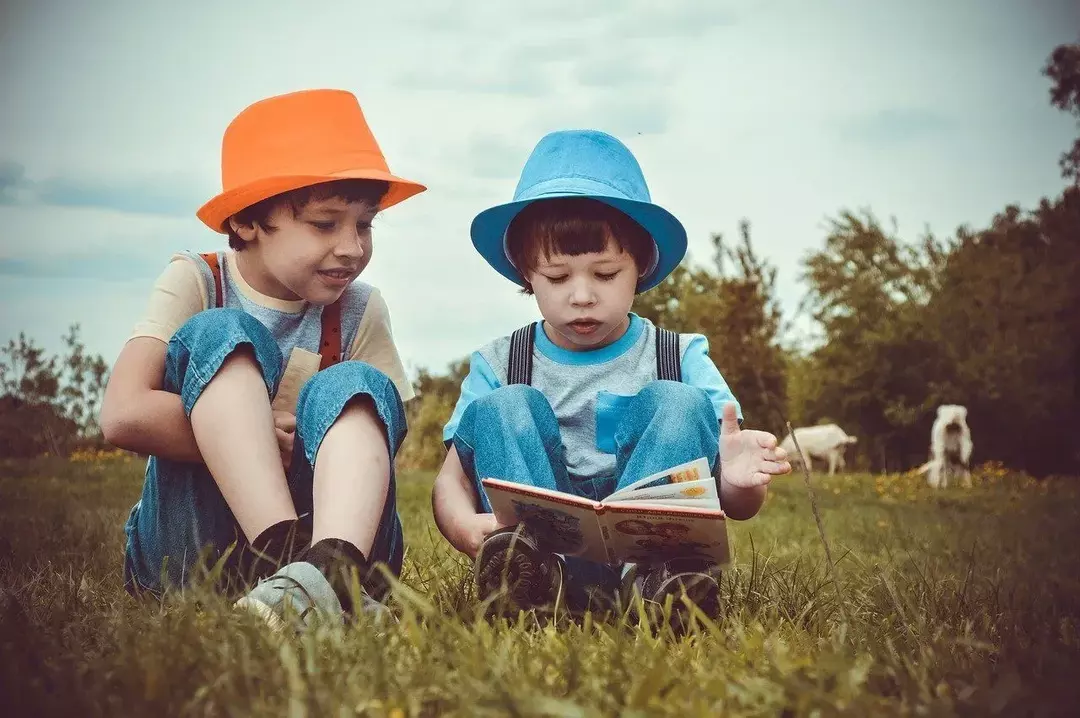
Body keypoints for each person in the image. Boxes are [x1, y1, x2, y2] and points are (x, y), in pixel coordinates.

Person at [430, 129, 792, 627]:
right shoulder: (499, 362)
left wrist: (735, 482)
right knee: (503, 407)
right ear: (526, 273)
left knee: (678, 402)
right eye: (558, 277)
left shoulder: (679, 355)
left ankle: (661, 587)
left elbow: (738, 504)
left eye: (605, 275)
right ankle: (527, 582)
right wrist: (467, 528)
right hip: (539, 552)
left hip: (652, 556)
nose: (582, 296)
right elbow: (450, 481)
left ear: (640, 266)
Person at [99, 88, 426, 630]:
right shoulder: (198, 280)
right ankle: (291, 563)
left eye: (365, 225)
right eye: (326, 224)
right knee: (223, 332)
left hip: (333, 529)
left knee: (357, 384)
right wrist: (252, 435)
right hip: (193, 552)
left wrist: (320, 439)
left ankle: (333, 570)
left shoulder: (361, 307)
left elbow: (387, 428)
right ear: (248, 221)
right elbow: (123, 413)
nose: (352, 247)